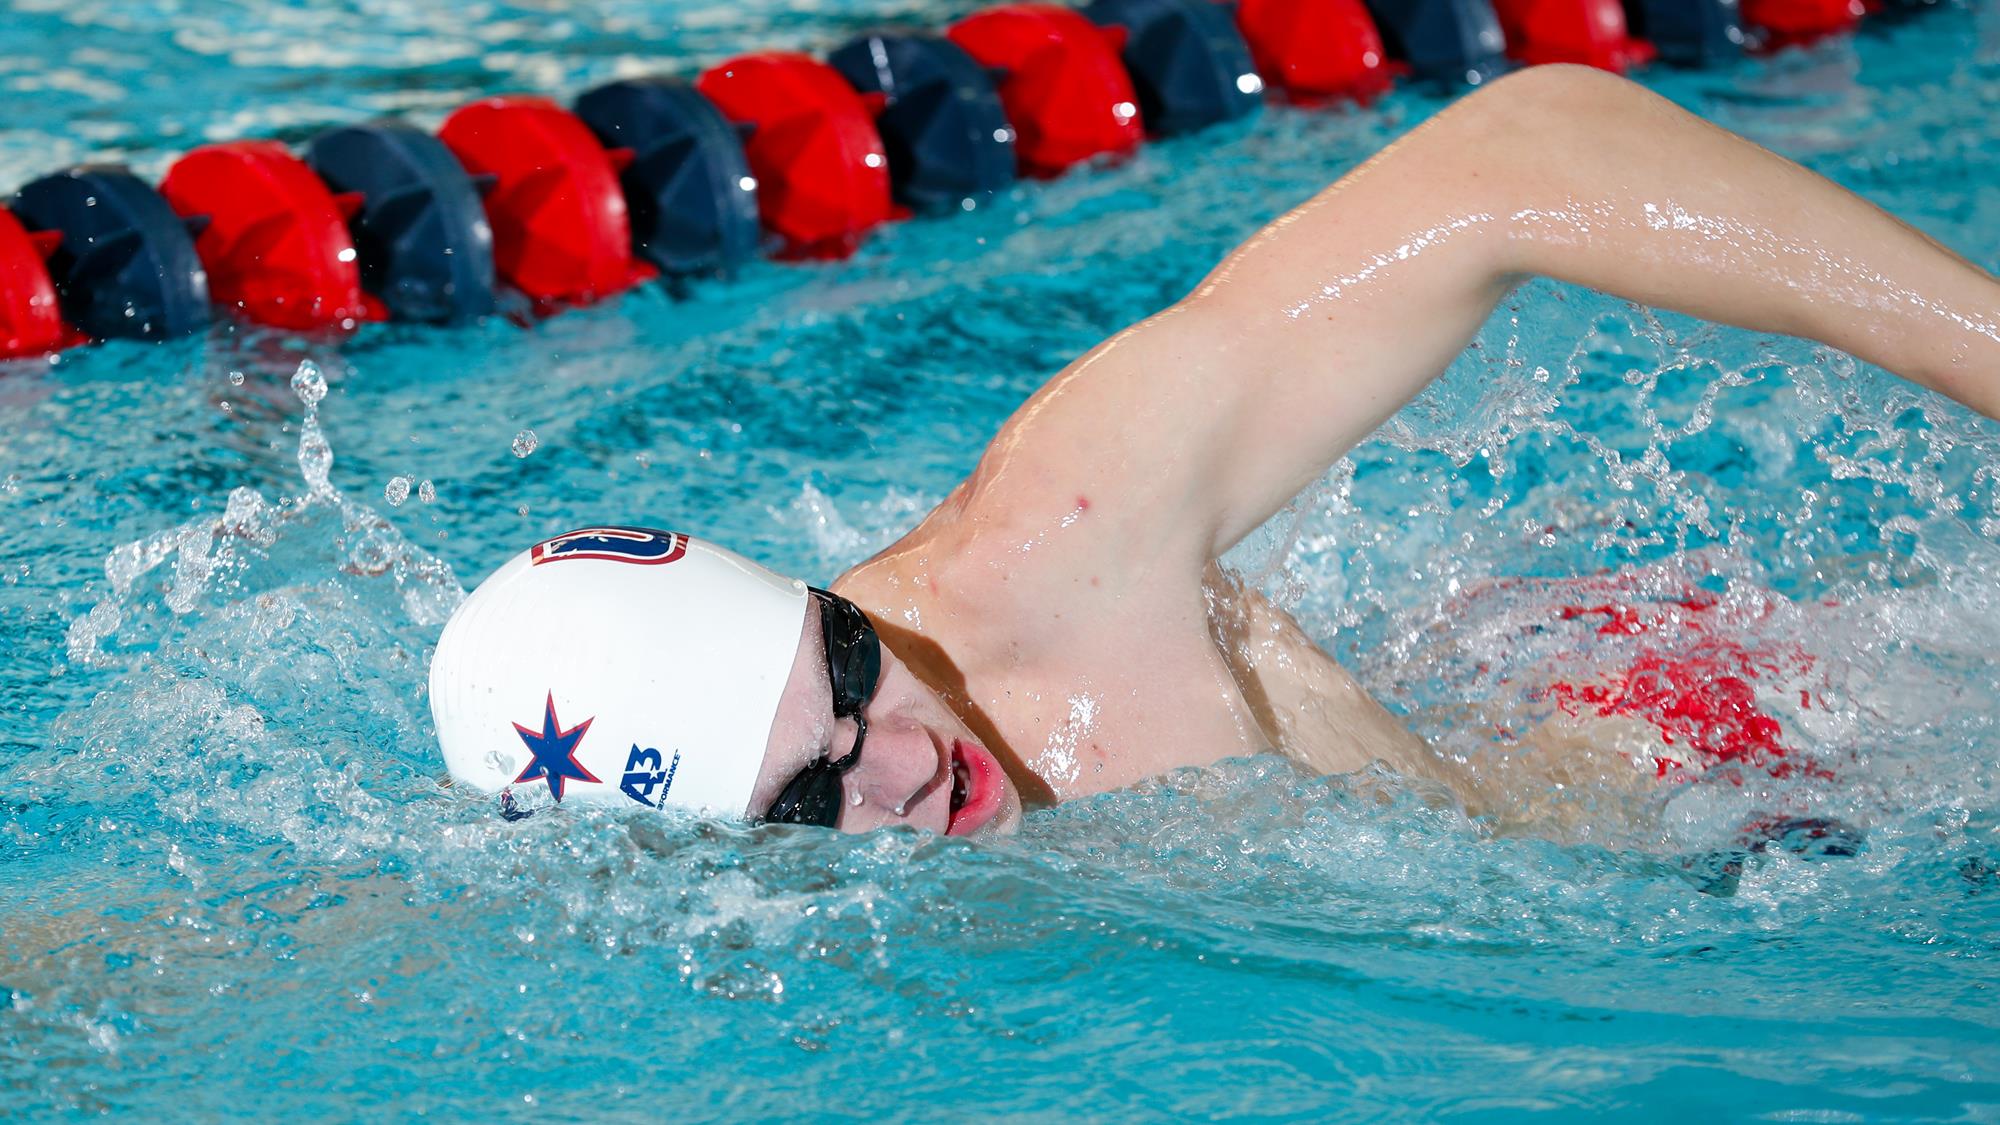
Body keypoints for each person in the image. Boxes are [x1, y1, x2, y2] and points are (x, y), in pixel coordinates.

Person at [429, 64, 2000, 838]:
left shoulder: (1057, 542)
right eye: (803, 802)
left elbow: (1522, 153)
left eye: (848, 674)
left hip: (1712, 757)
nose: (908, 764)